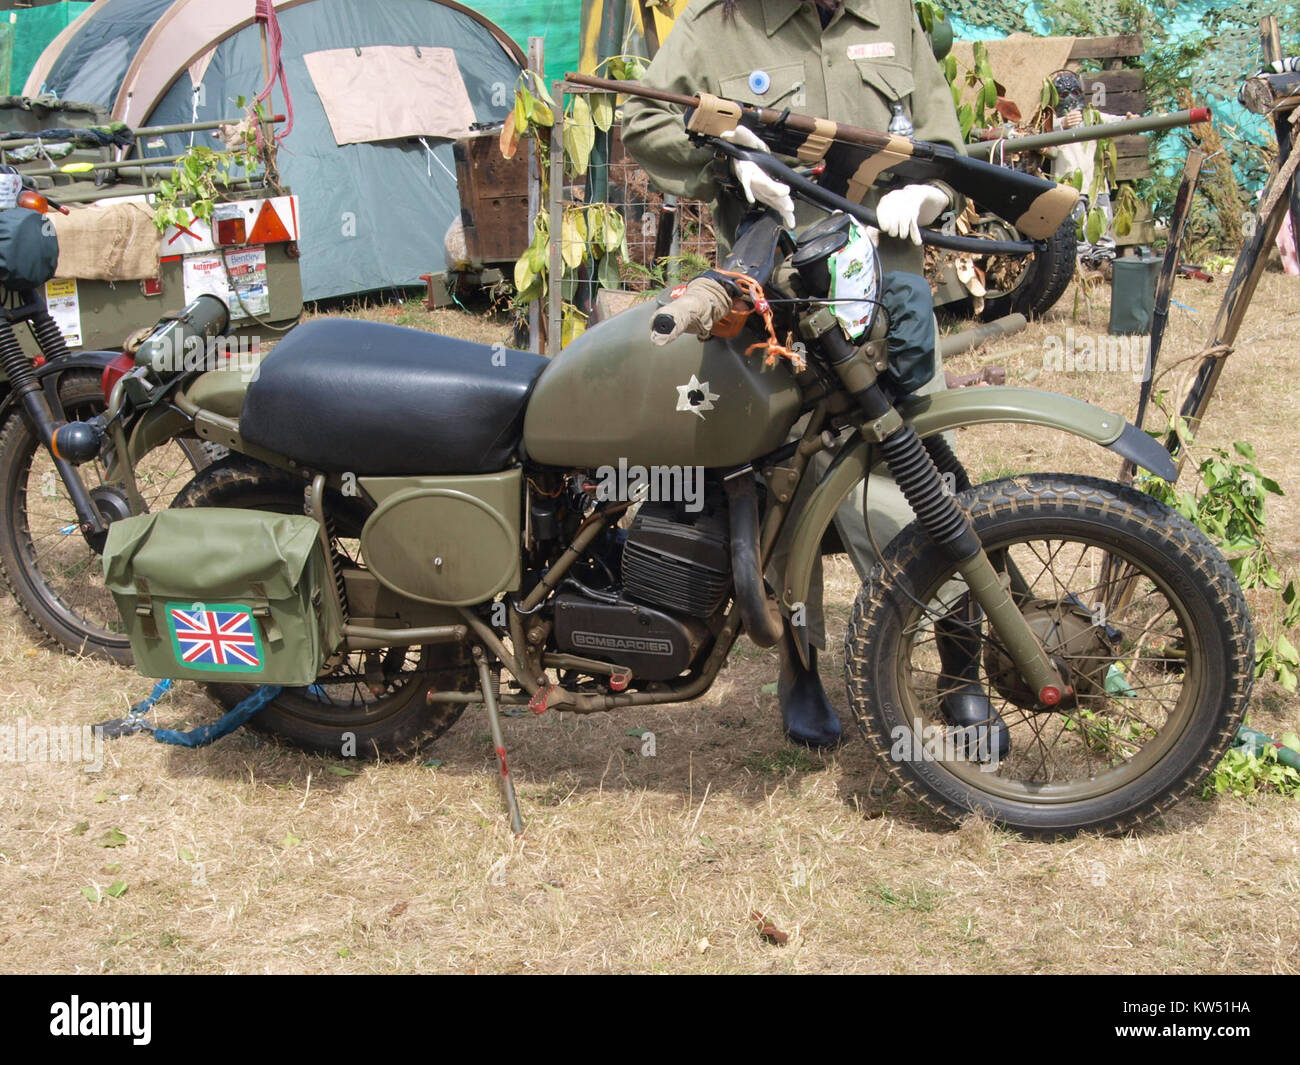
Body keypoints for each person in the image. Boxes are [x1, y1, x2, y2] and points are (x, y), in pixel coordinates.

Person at [623, 0, 981, 750]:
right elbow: (645, 121)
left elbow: (944, 136)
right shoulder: (717, 25)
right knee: (790, 488)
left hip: (892, 300)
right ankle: (801, 667)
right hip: (783, 304)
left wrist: (932, 189)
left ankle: (960, 665)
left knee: (928, 475)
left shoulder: (890, 14)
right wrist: (731, 160)